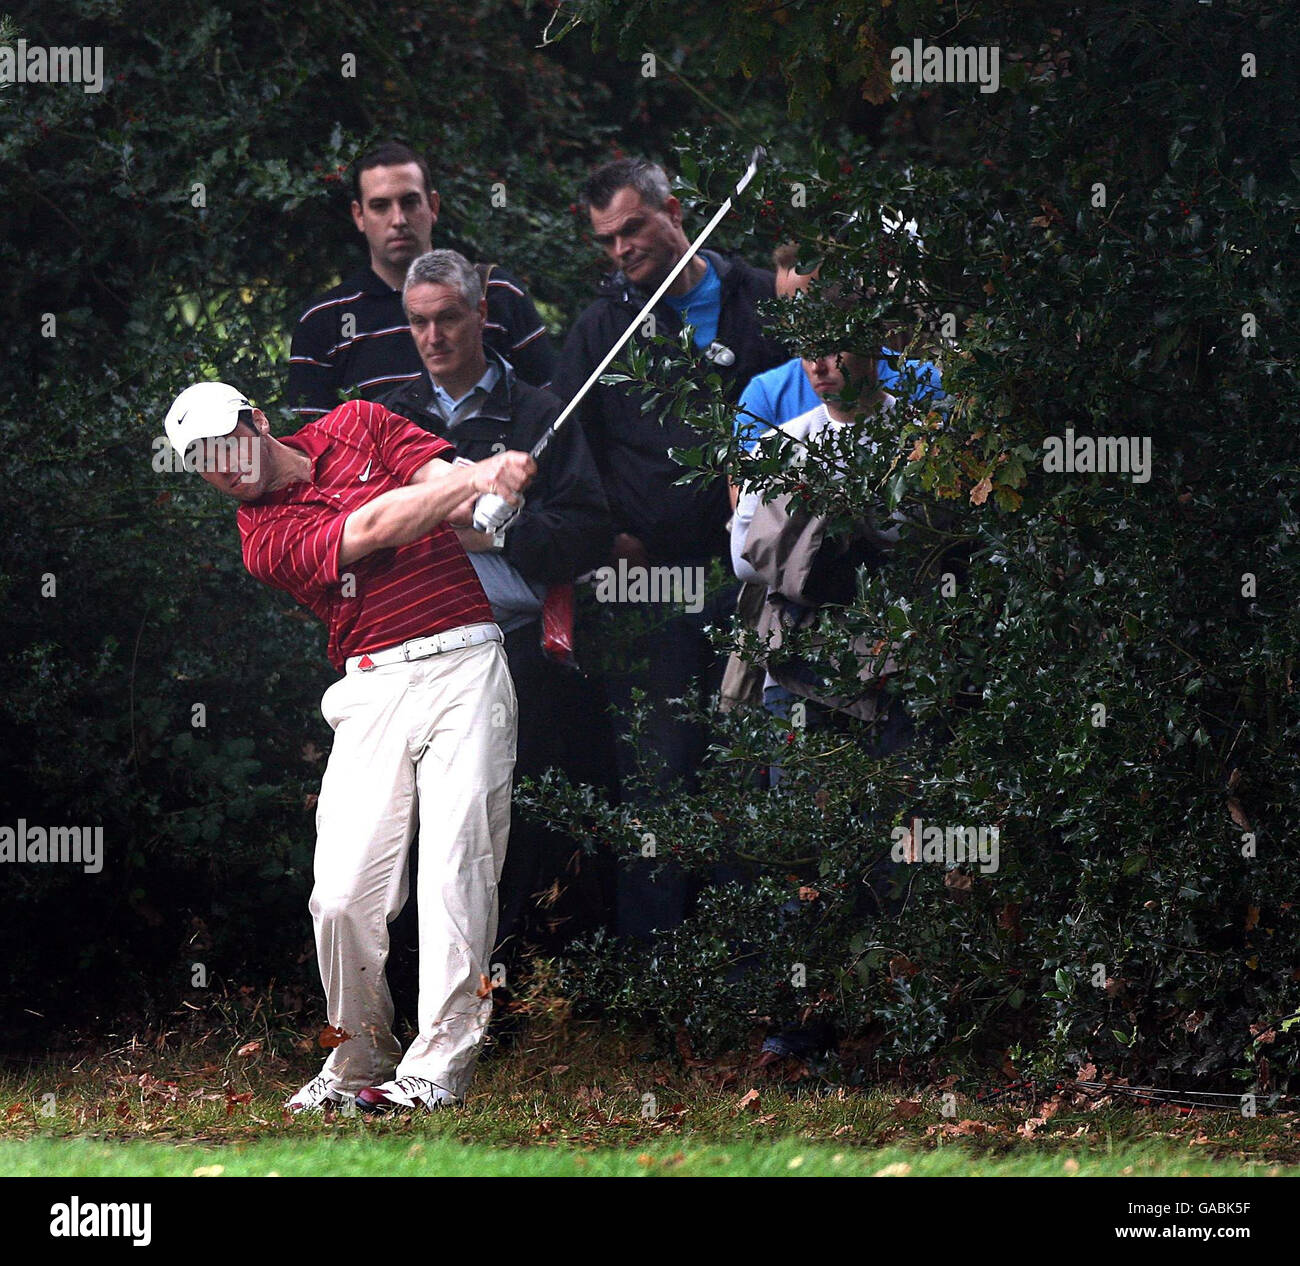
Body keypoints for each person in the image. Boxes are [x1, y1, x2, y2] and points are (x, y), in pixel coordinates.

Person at [162, 379, 536, 1113]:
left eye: (228, 437)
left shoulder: (359, 423)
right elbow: (374, 529)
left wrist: (496, 489)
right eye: (202, 458)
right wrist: (477, 475)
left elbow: (461, 508)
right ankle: (358, 1056)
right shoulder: (263, 539)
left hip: (467, 660)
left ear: (258, 419)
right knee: (339, 895)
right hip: (371, 685)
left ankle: (436, 1070)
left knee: (458, 867)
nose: (223, 462)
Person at [550, 157, 788, 939]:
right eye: (606, 240)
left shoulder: (759, 298)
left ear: (674, 210)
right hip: (647, 578)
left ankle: (747, 970)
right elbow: (568, 448)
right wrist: (610, 532)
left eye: (632, 229)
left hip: (755, 576)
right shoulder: (601, 325)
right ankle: (655, 975)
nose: (620, 251)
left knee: (746, 765)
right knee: (656, 773)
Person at [378, 249, 613, 969]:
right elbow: (359, 525)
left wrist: (506, 527)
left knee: (490, 825)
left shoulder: (540, 412)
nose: (434, 336)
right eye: (419, 322)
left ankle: (494, 991)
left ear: (483, 313)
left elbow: (587, 534)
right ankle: (412, 996)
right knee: (410, 828)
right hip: (408, 651)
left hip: (510, 649)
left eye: (449, 317)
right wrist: (452, 515)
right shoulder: (390, 416)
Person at [288, 141, 555, 418]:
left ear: (433, 205)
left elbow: (550, 413)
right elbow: (312, 447)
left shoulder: (496, 292)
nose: (398, 219)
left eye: (409, 202)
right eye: (380, 206)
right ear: (359, 215)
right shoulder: (325, 320)